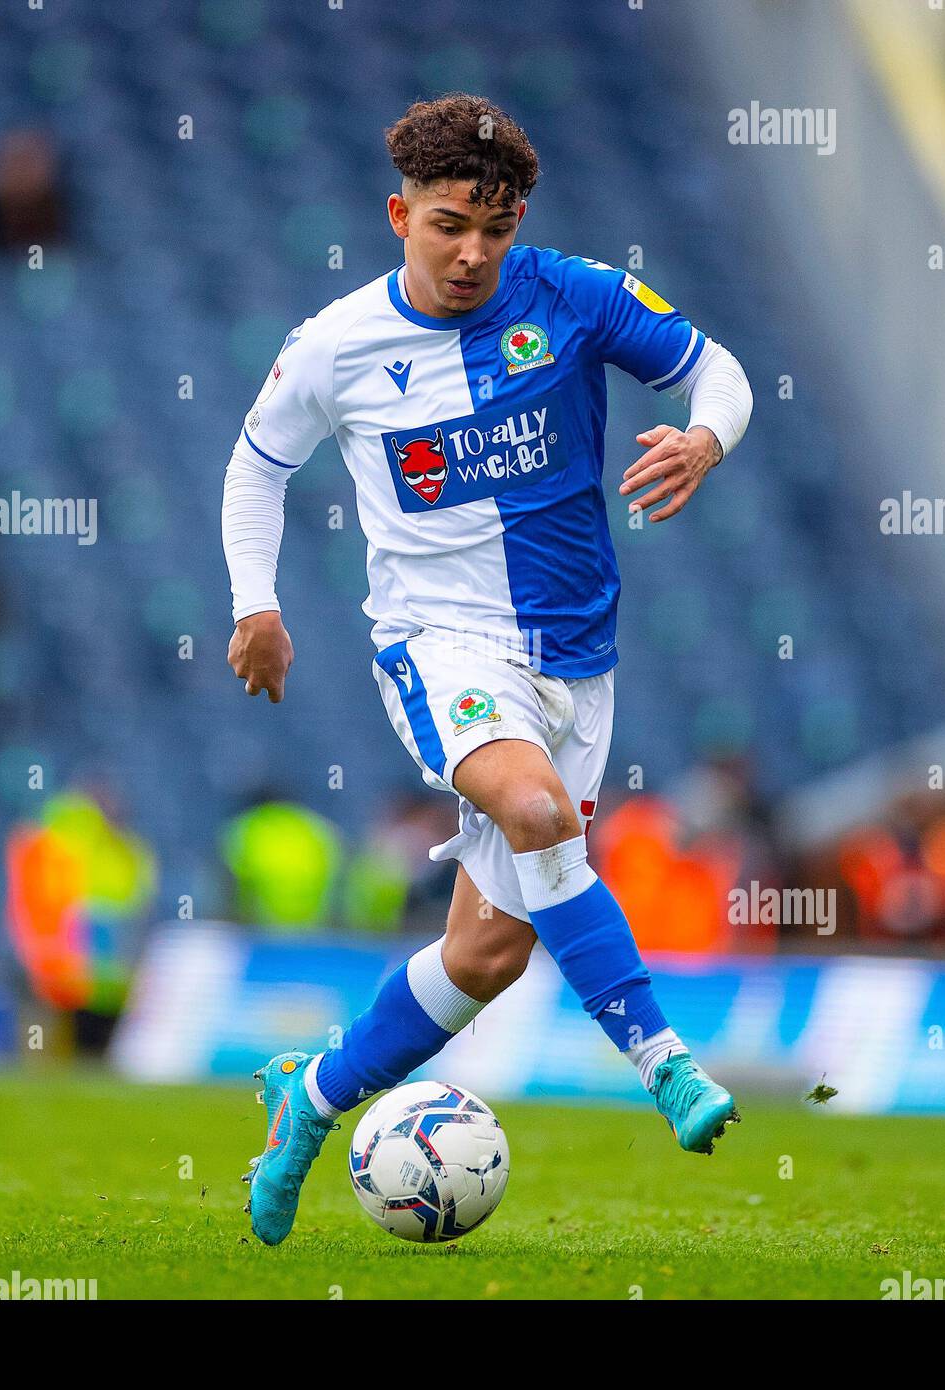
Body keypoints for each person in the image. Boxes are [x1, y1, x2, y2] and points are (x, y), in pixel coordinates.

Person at [221, 93, 753, 1246]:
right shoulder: (334, 346)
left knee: (484, 954)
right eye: (450, 224)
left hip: (578, 660)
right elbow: (255, 467)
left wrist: (703, 436)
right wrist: (255, 605)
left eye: (495, 230)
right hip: (440, 644)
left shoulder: (574, 294)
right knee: (531, 807)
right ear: (398, 212)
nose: (472, 252)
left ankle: (307, 1100)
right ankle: (660, 1058)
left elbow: (721, 372)